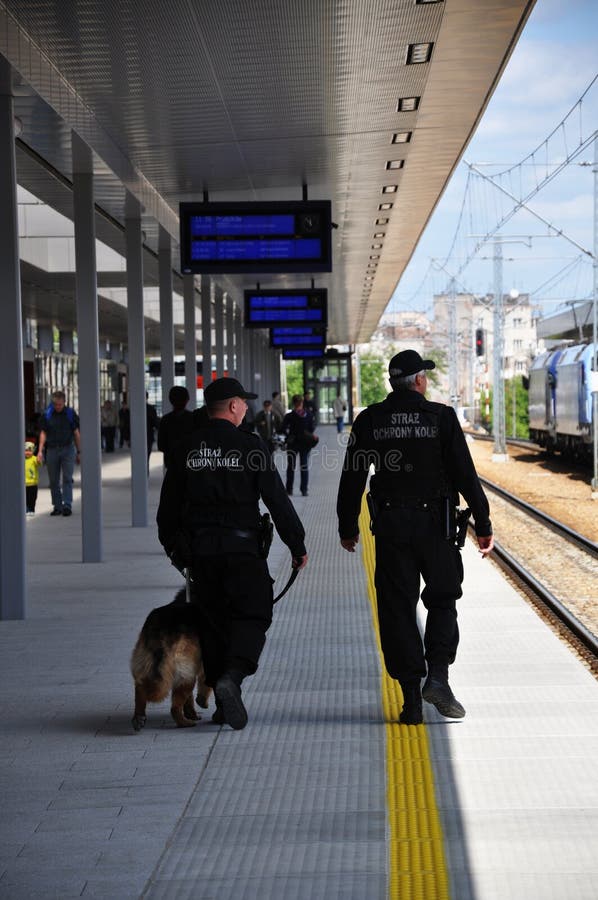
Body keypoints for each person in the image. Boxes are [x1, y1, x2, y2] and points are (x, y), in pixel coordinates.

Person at [336, 349, 494, 725]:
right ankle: (437, 675)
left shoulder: (370, 420)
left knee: (397, 608)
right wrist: (483, 525)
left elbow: (352, 478)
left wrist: (347, 527)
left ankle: (410, 702)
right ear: (419, 381)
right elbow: (465, 477)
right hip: (436, 527)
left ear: (394, 382)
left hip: (391, 529)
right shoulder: (441, 417)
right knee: (441, 600)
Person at [156, 376, 308, 731]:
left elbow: (167, 512)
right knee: (255, 614)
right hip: (242, 550)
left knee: (212, 626)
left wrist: (178, 554)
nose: (246, 409)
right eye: (244, 403)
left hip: (202, 554)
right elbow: (277, 500)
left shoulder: (185, 448)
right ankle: (233, 678)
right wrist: (297, 546)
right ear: (235, 406)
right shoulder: (251, 446)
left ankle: (224, 705)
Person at [36, 390, 81, 516]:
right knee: (54, 480)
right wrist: (40, 451)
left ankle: (67, 504)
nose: (58, 407)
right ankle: (57, 506)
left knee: (67, 478)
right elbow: (43, 433)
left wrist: (79, 452)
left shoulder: (70, 414)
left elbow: (76, 433)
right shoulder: (47, 415)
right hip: (52, 450)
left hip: (68, 449)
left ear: (64, 402)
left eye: (60, 404)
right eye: (55, 404)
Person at [281, 394, 317, 497]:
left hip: (292, 444)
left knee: (291, 467)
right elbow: (312, 428)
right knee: (304, 466)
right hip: (305, 444)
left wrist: (289, 435)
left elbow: (283, 429)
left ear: (293, 403)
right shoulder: (309, 414)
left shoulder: (289, 416)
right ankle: (304, 490)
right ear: (302, 403)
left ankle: (289, 489)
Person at [157, 386, 194, 469]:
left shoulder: (165, 420)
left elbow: (161, 445)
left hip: (171, 462)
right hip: (191, 462)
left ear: (171, 400)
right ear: (187, 400)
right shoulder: (194, 418)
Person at [25, 441, 41, 516]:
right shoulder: (22, 460)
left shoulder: (34, 459)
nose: (27, 452)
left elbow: (39, 463)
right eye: (26, 450)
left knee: (32, 498)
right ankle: (26, 509)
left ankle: (31, 509)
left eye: (29, 450)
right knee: (25, 498)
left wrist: (39, 460)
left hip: (33, 483)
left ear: (33, 451)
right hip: (24, 484)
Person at [146, 393, 159, 471]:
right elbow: (155, 423)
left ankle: (142, 471)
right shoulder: (151, 409)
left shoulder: (134, 408)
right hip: (149, 436)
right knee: (147, 455)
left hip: (138, 437)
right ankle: (145, 471)